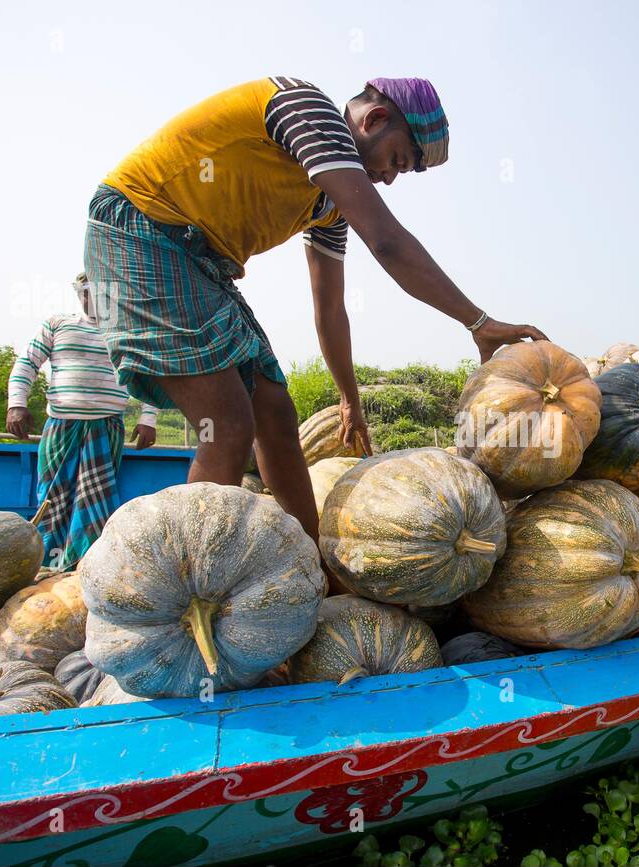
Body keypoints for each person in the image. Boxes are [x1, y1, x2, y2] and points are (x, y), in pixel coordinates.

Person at [82, 75, 546, 540]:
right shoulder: (307, 108)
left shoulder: (328, 204)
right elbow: (387, 241)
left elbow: (330, 310)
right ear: (376, 118)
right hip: (141, 228)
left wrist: (349, 398)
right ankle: (186, 575)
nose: (387, 177)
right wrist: (478, 322)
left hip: (203, 264)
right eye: (397, 160)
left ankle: (312, 557)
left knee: (276, 414)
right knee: (227, 425)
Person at [6, 272, 158, 570]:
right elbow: (27, 363)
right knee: (53, 498)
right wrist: (16, 404)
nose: (91, 297)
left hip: (106, 427)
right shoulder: (57, 324)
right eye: (85, 291)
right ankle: (45, 568)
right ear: (79, 294)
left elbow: (149, 378)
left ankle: (85, 570)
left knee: (96, 503)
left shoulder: (129, 332)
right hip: (61, 426)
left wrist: (148, 419)